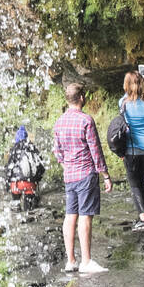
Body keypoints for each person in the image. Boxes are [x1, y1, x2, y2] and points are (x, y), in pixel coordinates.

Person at [52, 82, 113, 275]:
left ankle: (71, 261)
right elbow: (95, 150)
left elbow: (57, 151)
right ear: (82, 98)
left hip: (69, 176)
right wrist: (105, 175)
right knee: (85, 216)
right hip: (86, 174)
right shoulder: (86, 120)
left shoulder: (59, 122)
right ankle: (86, 261)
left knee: (70, 216)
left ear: (67, 100)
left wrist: (66, 166)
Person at [118, 65, 144, 232]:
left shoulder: (123, 103)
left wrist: (130, 88)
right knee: (143, 181)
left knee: (135, 184)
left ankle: (143, 220)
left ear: (127, 86)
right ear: (141, 83)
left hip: (132, 151)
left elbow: (126, 98)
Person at [6, 126, 45, 209]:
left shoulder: (14, 149)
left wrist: (8, 184)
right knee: (29, 210)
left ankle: (16, 207)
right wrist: (36, 180)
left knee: (16, 203)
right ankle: (28, 211)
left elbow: (9, 169)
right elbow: (41, 167)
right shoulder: (32, 148)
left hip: (16, 185)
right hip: (30, 184)